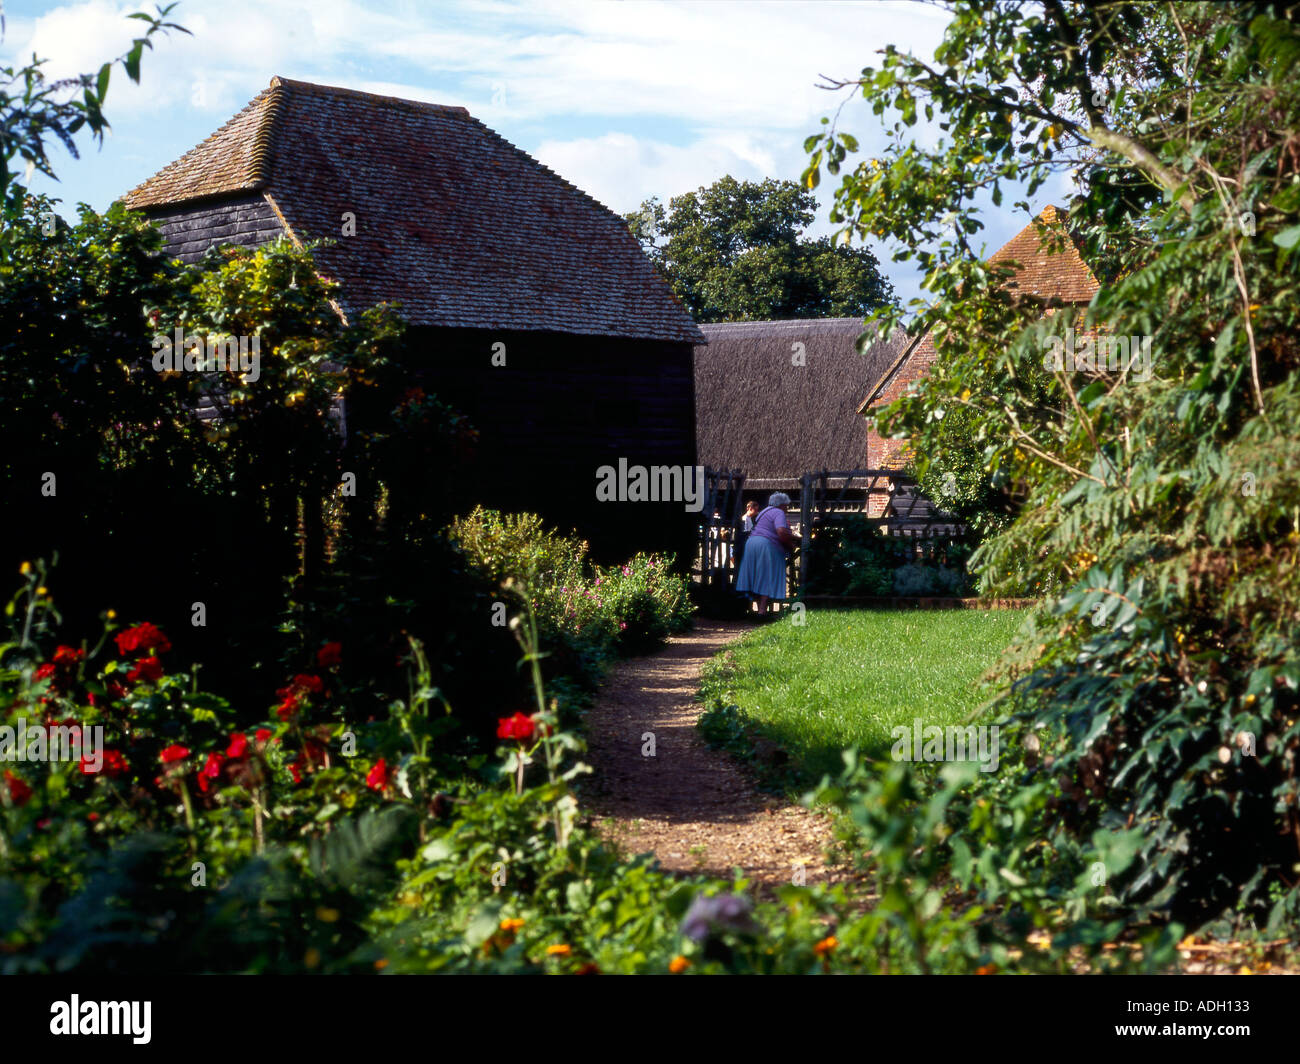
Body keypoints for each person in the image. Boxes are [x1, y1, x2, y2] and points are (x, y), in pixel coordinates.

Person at [736, 493, 799, 617]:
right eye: (786, 506)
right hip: (766, 545)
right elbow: (781, 532)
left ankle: (759, 609)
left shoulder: (764, 512)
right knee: (766, 575)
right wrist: (793, 542)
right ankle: (762, 611)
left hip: (752, 543)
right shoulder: (778, 512)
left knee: (755, 575)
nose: (787, 509)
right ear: (781, 505)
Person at [734, 500, 760, 568]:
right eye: (756, 510)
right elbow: (745, 533)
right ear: (750, 509)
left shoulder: (749, 519)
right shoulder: (745, 519)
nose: (757, 512)